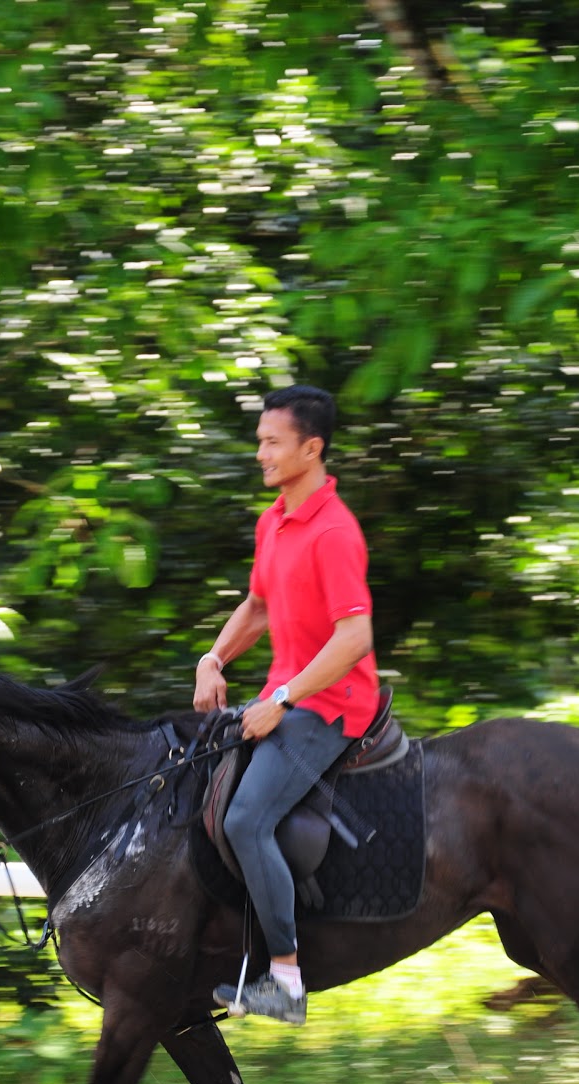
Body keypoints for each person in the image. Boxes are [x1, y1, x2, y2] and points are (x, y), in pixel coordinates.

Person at [193, 384, 379, 1024]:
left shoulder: (333, 531)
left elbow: (354, 638)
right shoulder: (273, 520)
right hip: (287, 693)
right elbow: (260, 605)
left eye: (273, 443)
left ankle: (285, 980)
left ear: (312, 447)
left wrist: (280, 698)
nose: (262, 454)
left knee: (245, 819)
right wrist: (214, 659)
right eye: (260, 442)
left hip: (332, 705)